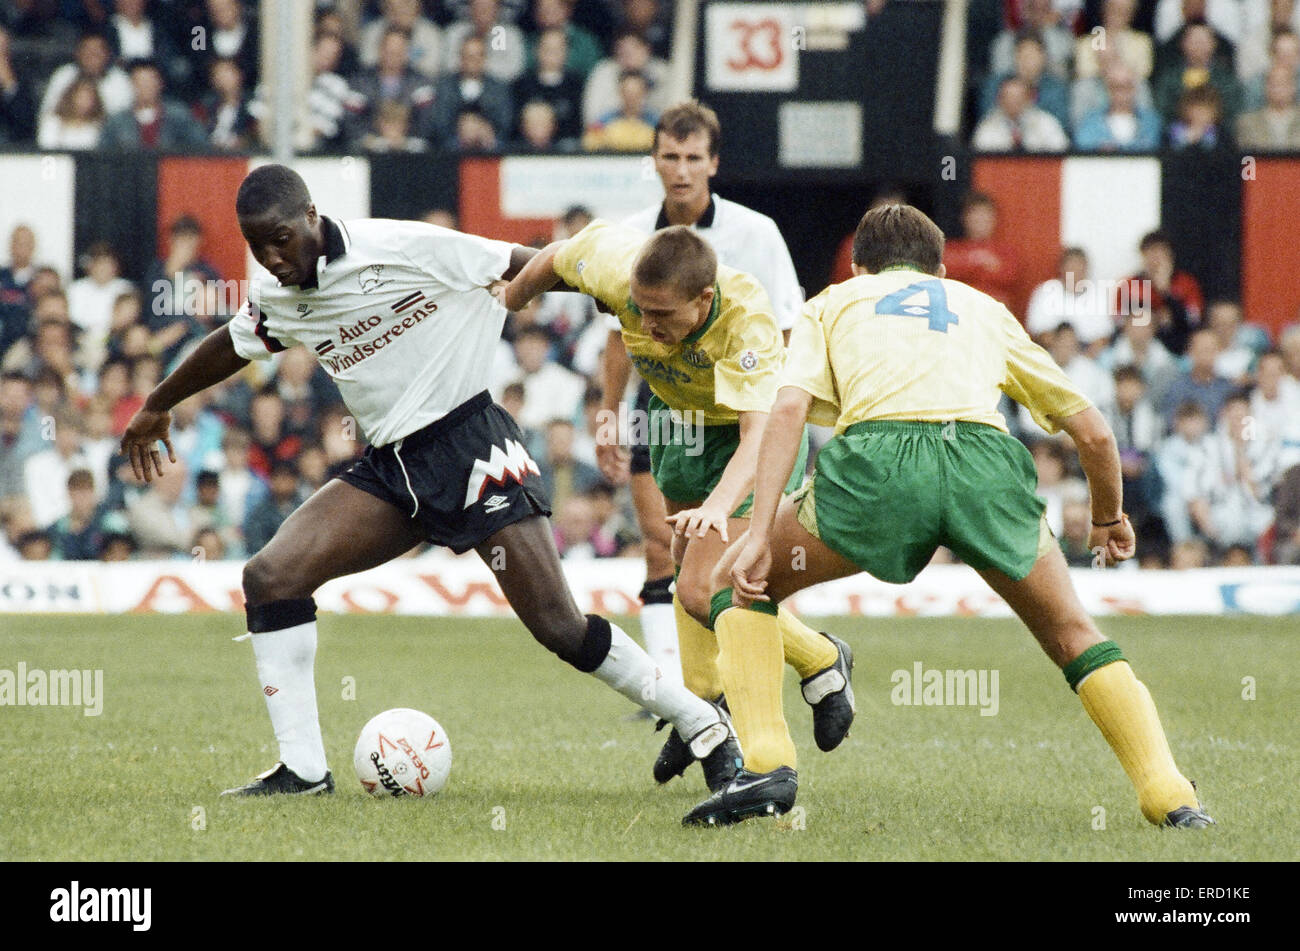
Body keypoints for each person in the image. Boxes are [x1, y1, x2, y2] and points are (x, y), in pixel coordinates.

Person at [119, 164, 740, 799]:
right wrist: (156, 404)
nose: (272, 256)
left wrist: (619, 293)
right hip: (393, 470)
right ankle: (302, 769)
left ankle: (704, 723)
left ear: (311, 216)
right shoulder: (281, 298)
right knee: (270, 578)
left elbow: (533, 260)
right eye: (256, 245)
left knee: (559, 627)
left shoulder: (402, 246)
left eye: (280, 237)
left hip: (474, 449)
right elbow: (231, 343)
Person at [684, 203, 1213, 830]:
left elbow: (788, 409)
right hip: (981, 465)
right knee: (1074, 634)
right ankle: (1170, 796)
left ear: (858, 267)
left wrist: (760, 531)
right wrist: (1107, 518)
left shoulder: (832, 302)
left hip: (880, 467)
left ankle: (768, 767)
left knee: (732, 582)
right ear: (938, 270)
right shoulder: (981, 307)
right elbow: (1094, 434)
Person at [502, 219, 854, 790]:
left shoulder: (749, 323)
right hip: (677, 420)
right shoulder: (617, 267)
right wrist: (513, 299)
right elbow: (556, 258)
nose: (647, 324)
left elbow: (758, 437)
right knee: (677, 560)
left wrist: (719, 503)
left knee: (704, 588)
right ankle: (703, 707)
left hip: (750, 436)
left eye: (663, 315)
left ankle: (817, 662)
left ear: (705, 300)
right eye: (640, 310)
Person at [603, 101, 804, 692]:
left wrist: (782, 418)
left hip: (740, 417)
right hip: (663, 410)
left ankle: (752, 680)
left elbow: (788, 332)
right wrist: (612, 413)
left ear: (713, 163)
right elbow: (621, 339)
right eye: (670, 156)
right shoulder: (632, 236)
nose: (682, 170)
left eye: (694, 157)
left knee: (732, 567)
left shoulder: (755, 233)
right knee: (661, 547)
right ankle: (680, 694)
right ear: (655, 161)